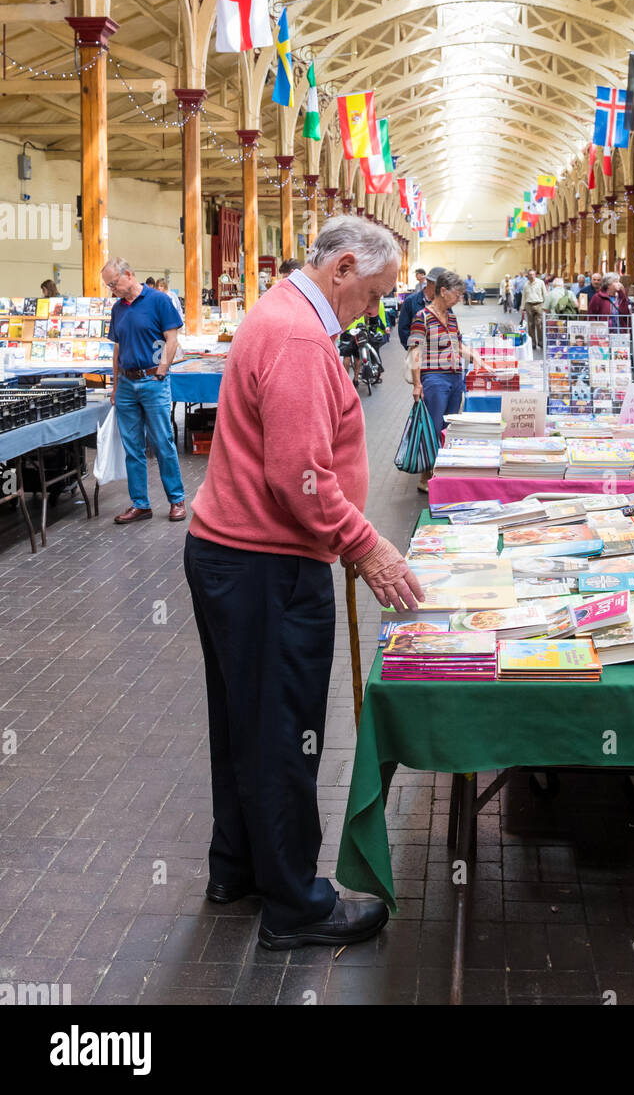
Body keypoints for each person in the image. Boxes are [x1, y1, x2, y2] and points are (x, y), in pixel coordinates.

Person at [185, 216, 423, 950]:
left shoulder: (283, 315)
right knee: (287, 735)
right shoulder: (295, 336)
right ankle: (295, 904)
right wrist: (367, 546)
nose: (377, 310)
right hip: (267, 565)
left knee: (247, 727)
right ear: (344, 267)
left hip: (237, 556)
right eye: (375, 294)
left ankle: (240, 868)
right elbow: (301, 478)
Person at [102, 258, 186, 525]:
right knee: (132, 447)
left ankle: (177, 500)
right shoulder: (118, 309)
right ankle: (140, 504)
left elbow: (172, 338)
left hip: (153, 381)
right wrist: (115, 387)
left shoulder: (159, 301)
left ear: (129, 274)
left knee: (163, 443)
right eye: (109, 286)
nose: (112, 290)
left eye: (113, 284)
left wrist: (162, 368)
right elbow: (117, 349)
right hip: (126, 383)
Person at [408, 270, 490, 493]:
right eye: (458, 294)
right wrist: (418, 383)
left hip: (455, 378)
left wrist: (475, 357)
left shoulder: (452, 317)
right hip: (434, 379)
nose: (460, 298)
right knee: (433, 427)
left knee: (447, 428)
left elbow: (458, 344)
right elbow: (416, 350)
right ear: (443, 291)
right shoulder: (422, 317)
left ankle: (441, 471)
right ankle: (426, 476)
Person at [397, 265, 444, 347]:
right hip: (418, 352)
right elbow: (403, 329)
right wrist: (413, 348)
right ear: (432, 284)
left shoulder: (443, 302)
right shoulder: (410, 301)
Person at [522, 268, 548, 350]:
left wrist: (546, 306)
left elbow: (545, 294)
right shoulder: (526, 284)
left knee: (539, 325)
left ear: (535, 275)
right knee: (530, 325)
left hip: (539, 304)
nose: (531, 276)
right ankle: (532, 343)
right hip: (529, 305)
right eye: (530, 275)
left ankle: (540, 342)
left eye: (533, 274)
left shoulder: (540, 282)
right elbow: (524, 296)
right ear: (528, 276)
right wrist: (522, 307)